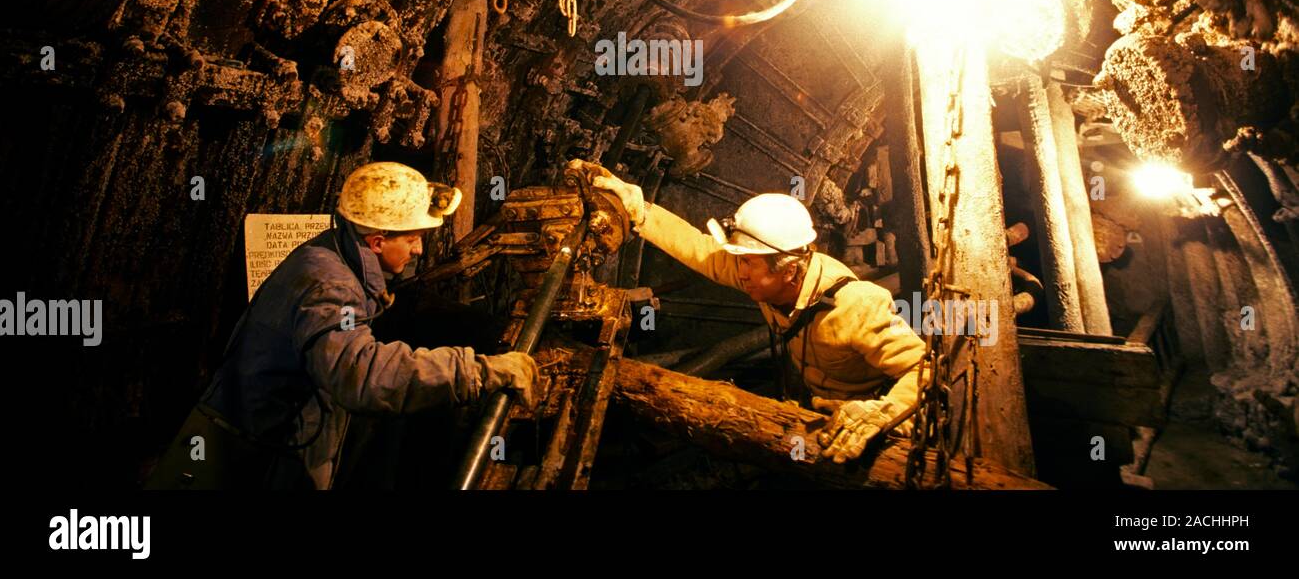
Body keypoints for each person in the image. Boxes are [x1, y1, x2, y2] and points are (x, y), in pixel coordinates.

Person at [147, 161, 538, 489]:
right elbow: (360, 375)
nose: (419, 248)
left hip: (263, 442)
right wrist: (478, 370)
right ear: (378, 241)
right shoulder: (329, 284)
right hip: (238, 460)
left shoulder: (333, 251)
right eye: (414, 238)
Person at [588, 164, 926, 463]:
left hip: (863, 432)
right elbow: (703, 251)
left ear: (790, 271)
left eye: (747, 262)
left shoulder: (856, 306)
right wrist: (640, 210)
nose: (740, 273)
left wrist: (882, 413)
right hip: (814, 413)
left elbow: (923, 370)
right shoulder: (770, 279)